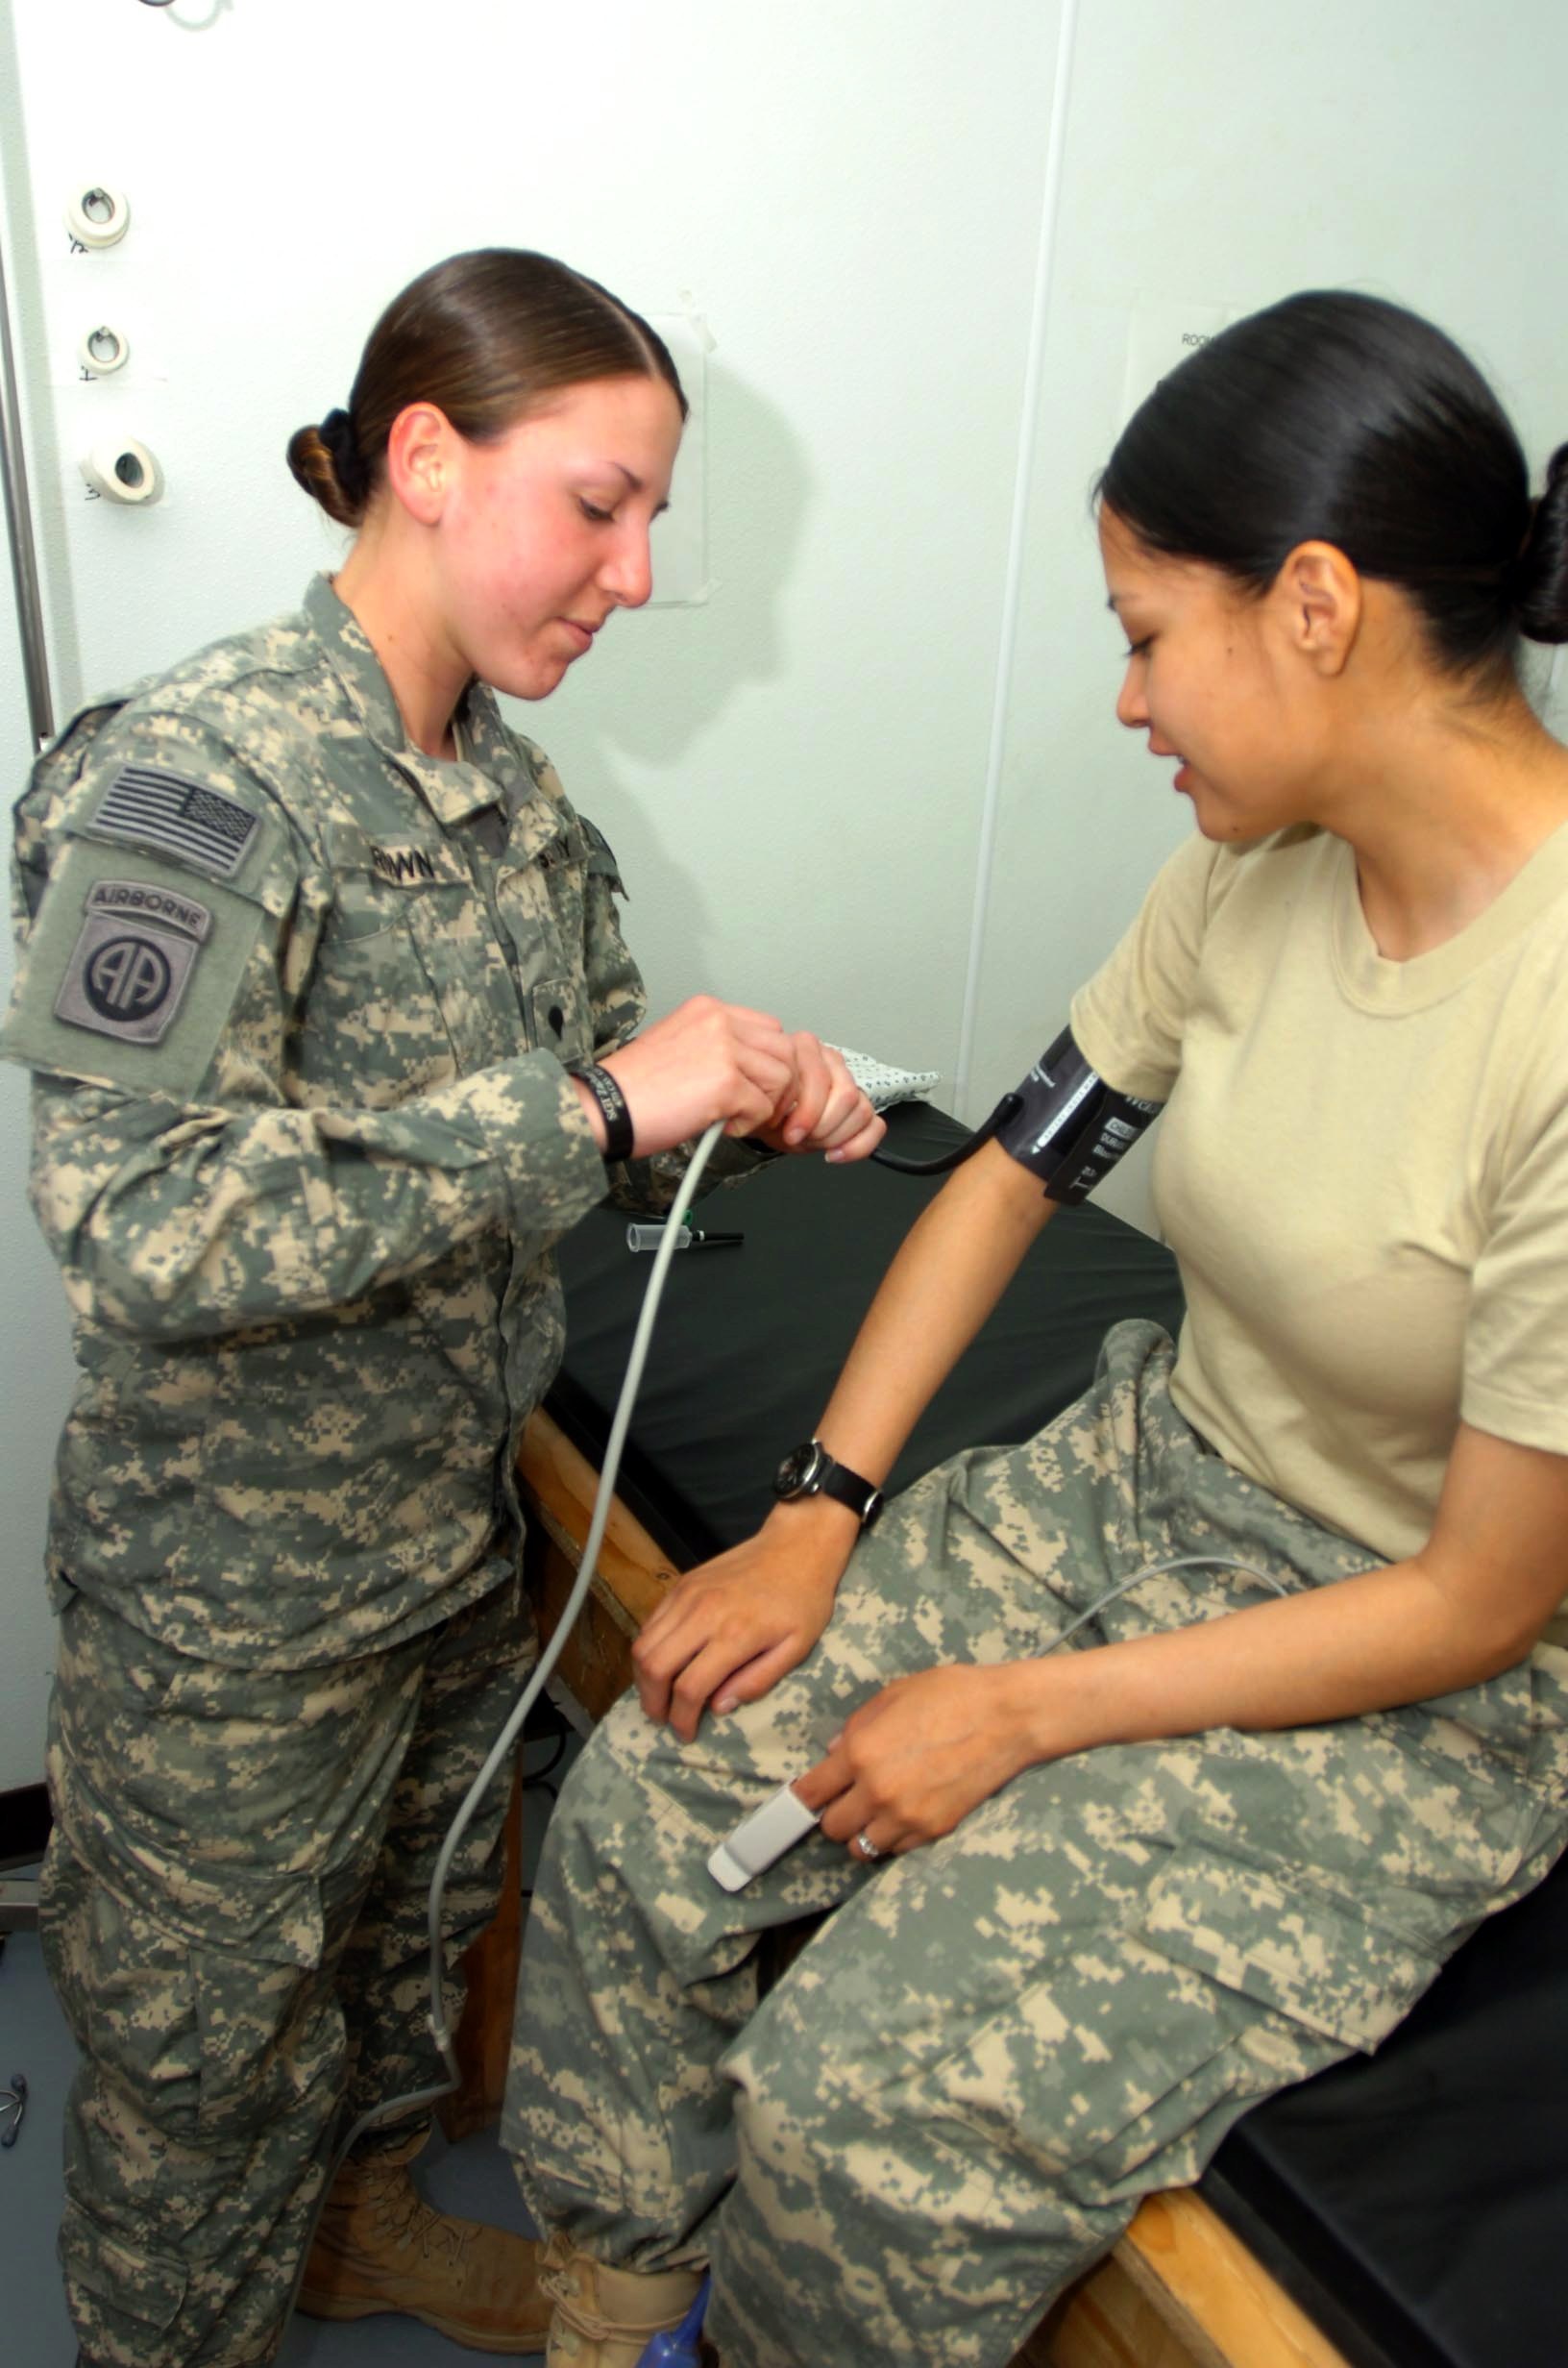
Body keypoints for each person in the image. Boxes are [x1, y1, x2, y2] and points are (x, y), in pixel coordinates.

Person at [504, 289, 1568, 2368]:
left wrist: (1027, 1705)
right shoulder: (1261, 868)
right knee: (647, 1812)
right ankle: (617, 2322)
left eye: (1146, 631)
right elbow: (1010, 1168)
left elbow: (1476, 1598)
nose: (1127, 698)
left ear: (1319, 606)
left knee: (861, 2106)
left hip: (1413, 1672)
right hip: (1150, 1471)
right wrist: (820, 1507)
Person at [0, 247, 885, 2368]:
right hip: (232, 1606)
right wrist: (599, 1093)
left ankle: (363, 2229)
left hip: (443, 1546)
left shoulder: (509, 798)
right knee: (201, 2069)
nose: (642, 573)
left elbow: (576, 1117)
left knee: (403, 1962)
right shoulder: (194, 784)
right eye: (603, 502)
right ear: (424, 459)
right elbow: (137, 1215)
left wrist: (736, 1094)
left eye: (657, 519)